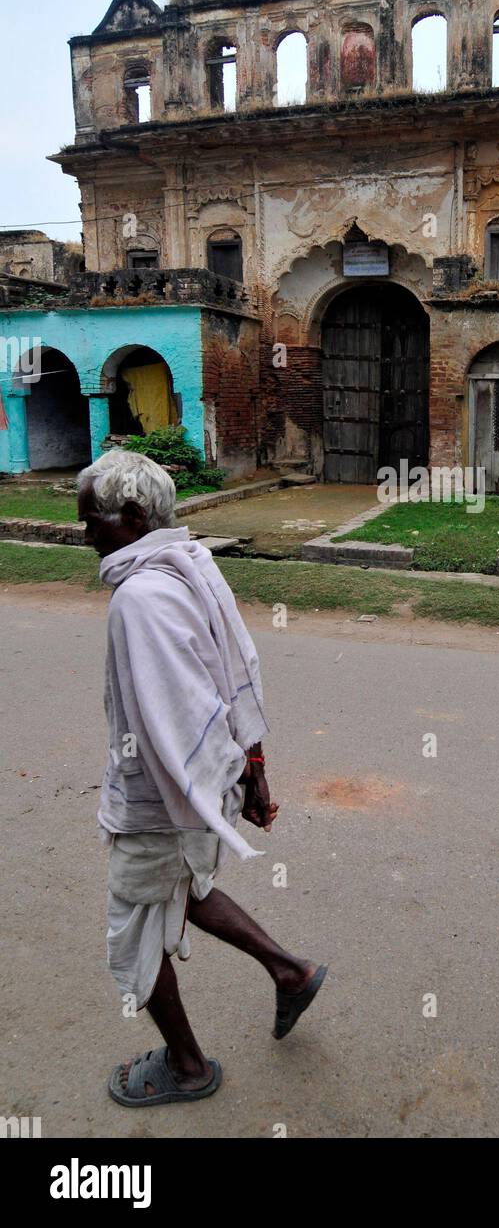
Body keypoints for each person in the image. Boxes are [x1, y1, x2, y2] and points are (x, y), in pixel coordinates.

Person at [78, 449, 326, 1108]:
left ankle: (187, 1067)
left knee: (134, 923)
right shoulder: (191, 564)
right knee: (181, 887)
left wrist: (214, 789)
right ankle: (289, 971)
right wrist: (250, 774)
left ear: (131, 516)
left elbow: (183, 710)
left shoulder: (141, 594)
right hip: (192, 791)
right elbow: (235, 670)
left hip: (160, 798)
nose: (85, 534)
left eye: (92, 520)